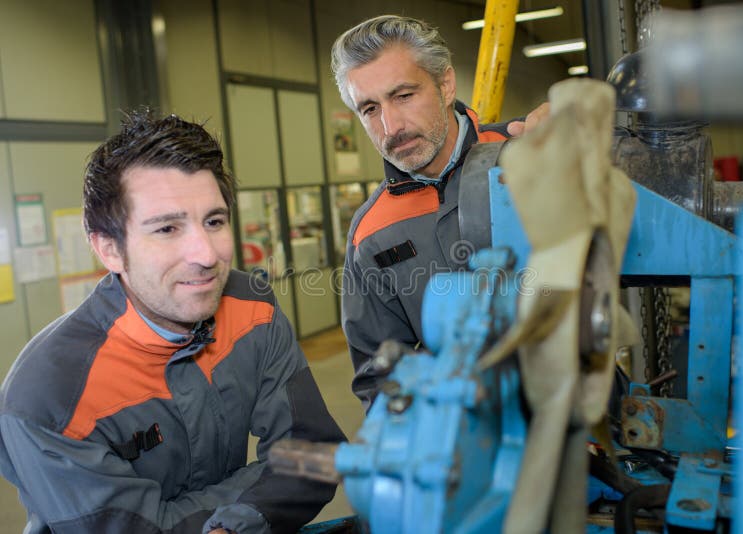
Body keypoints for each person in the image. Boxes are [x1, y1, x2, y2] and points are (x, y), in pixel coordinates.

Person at [0, 111, 346, 533]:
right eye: (167, 228)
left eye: (214, 221)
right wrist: (252, 501)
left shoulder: (249, 304)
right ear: (109, 249)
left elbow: (315, 453)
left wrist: (228, 525)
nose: (205, 254)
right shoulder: (48, 395)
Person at [331, 15, 548, 410]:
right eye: (369, 109)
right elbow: (380, 379)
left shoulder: (530, 154)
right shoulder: (372, 234)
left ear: (445, 84)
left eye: (403, 96)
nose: (390, 125)